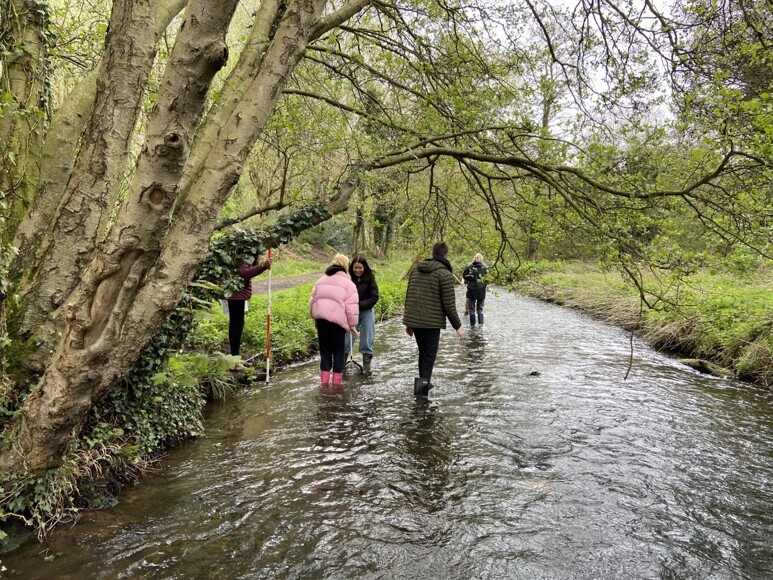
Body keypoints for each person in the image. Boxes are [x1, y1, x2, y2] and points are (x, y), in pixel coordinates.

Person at [403, 241, 464, 397]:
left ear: (432, 253)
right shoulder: (444, 274)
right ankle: (421, 393)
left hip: (416, 320)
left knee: (423, 353)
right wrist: (458, 327)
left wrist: (409, 322)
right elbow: (449, 304)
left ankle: (423, 384)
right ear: (446, 254)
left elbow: (410, 296)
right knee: (429, 355)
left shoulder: (416, 270)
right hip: (431, 323)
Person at [310, 253, 359, 387]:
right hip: (337, 323)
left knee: (325, 353)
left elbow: (312, 300)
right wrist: (352, 325)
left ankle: (324, 385)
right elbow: (352, 307)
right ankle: (337, 386)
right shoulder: (348, 284)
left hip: (322, 321)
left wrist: (315, 317)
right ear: (345, 266)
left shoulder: (320, 280)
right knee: (338, 353)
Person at [226, 251, 270, 369]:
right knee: (236, 325)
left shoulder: (240, 252)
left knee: (235, 324)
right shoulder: (243, 253)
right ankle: (234, 361)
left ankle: (235, 359)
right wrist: (263, 266)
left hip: (236, 294)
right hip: (236, 294)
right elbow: (244, 273)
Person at [347, 255, 379, 373]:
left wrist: (359, 305)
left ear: (364, 267)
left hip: (366, 312)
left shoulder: (370, 278)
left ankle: (366, 367)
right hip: (351, 313)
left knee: (367, 338)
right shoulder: (348, 278)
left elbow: (374, 297)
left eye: (360, 268)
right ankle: (342, 365)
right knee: (347, 339)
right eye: (355, 268)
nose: (357, 270)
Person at [463, 253, 488, 326]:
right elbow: (488, 279)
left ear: (474, 258)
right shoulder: (485, 267)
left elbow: (464, 276)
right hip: (481, 291)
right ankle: (481, 326)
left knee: (471, 310)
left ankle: (472, 327)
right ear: (481, 259)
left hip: (472, 290)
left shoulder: (469, 267)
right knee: (480, 310)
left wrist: (469, 281)